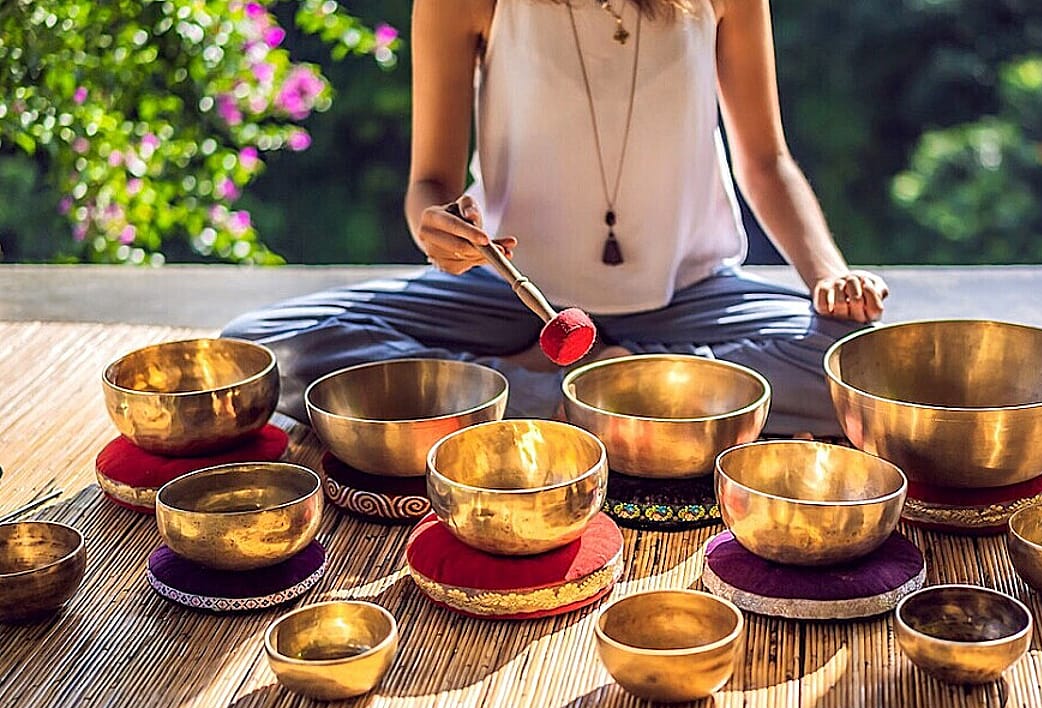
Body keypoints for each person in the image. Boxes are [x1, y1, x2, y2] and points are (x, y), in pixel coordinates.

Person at [223, 0, 888, 437]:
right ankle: (630, 395)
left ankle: (532, 391)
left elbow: (767, 160)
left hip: (687, 299)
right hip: (511, 297)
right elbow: (432, 182)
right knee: (260, 345)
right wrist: (437, 227)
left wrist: (828, 273)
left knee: (859, 367)